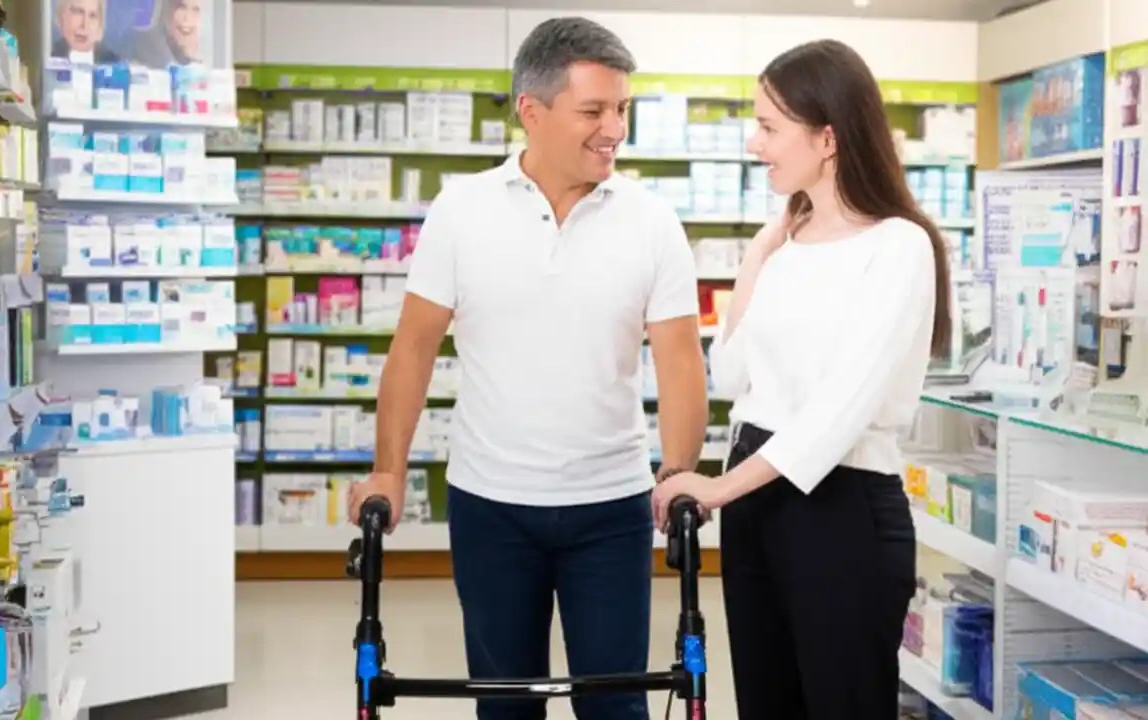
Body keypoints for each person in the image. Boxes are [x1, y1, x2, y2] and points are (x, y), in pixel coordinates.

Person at [347, 16, 708, 720]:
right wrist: (388, 470)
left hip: (611, 507)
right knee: (505, 705)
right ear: (531, 111)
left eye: (623, 109)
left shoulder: (651, 220)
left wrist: (678, 472)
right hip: (490, 508)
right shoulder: (462, 209)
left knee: (616, 707)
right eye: (594, 111)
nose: (615, 129)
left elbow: (679, 359)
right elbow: (414, 346)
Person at [651, 39, 951, 720]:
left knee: (842, 704)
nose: (755, 142)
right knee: (766, 702)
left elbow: (839, 412)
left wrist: (720, 487)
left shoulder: (898, 246)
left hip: (840, 509)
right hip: (760, 505)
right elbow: (733, 376)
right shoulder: (787, 243)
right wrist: (761, 250)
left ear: (828, 137)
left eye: (768, 126)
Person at [130, 0, 206, 69]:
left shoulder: (183, 51)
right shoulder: (146, 41)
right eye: (181, 8)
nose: (188, 18)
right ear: (166, 9)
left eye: (196, 10)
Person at [51, 0, 121, 65]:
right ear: (60, 17)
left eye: (92, 16)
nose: (85, 24)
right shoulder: (46, 58)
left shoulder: (114, 66)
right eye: (78, 12)